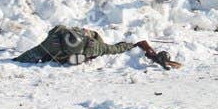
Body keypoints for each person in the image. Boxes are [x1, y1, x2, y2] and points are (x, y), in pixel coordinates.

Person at [14, 25, 178, 70]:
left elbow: (117, 48)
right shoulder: (52, 43)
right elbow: (28, 56)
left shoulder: (92, 46)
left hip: (91, 37)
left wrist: (146, 50)